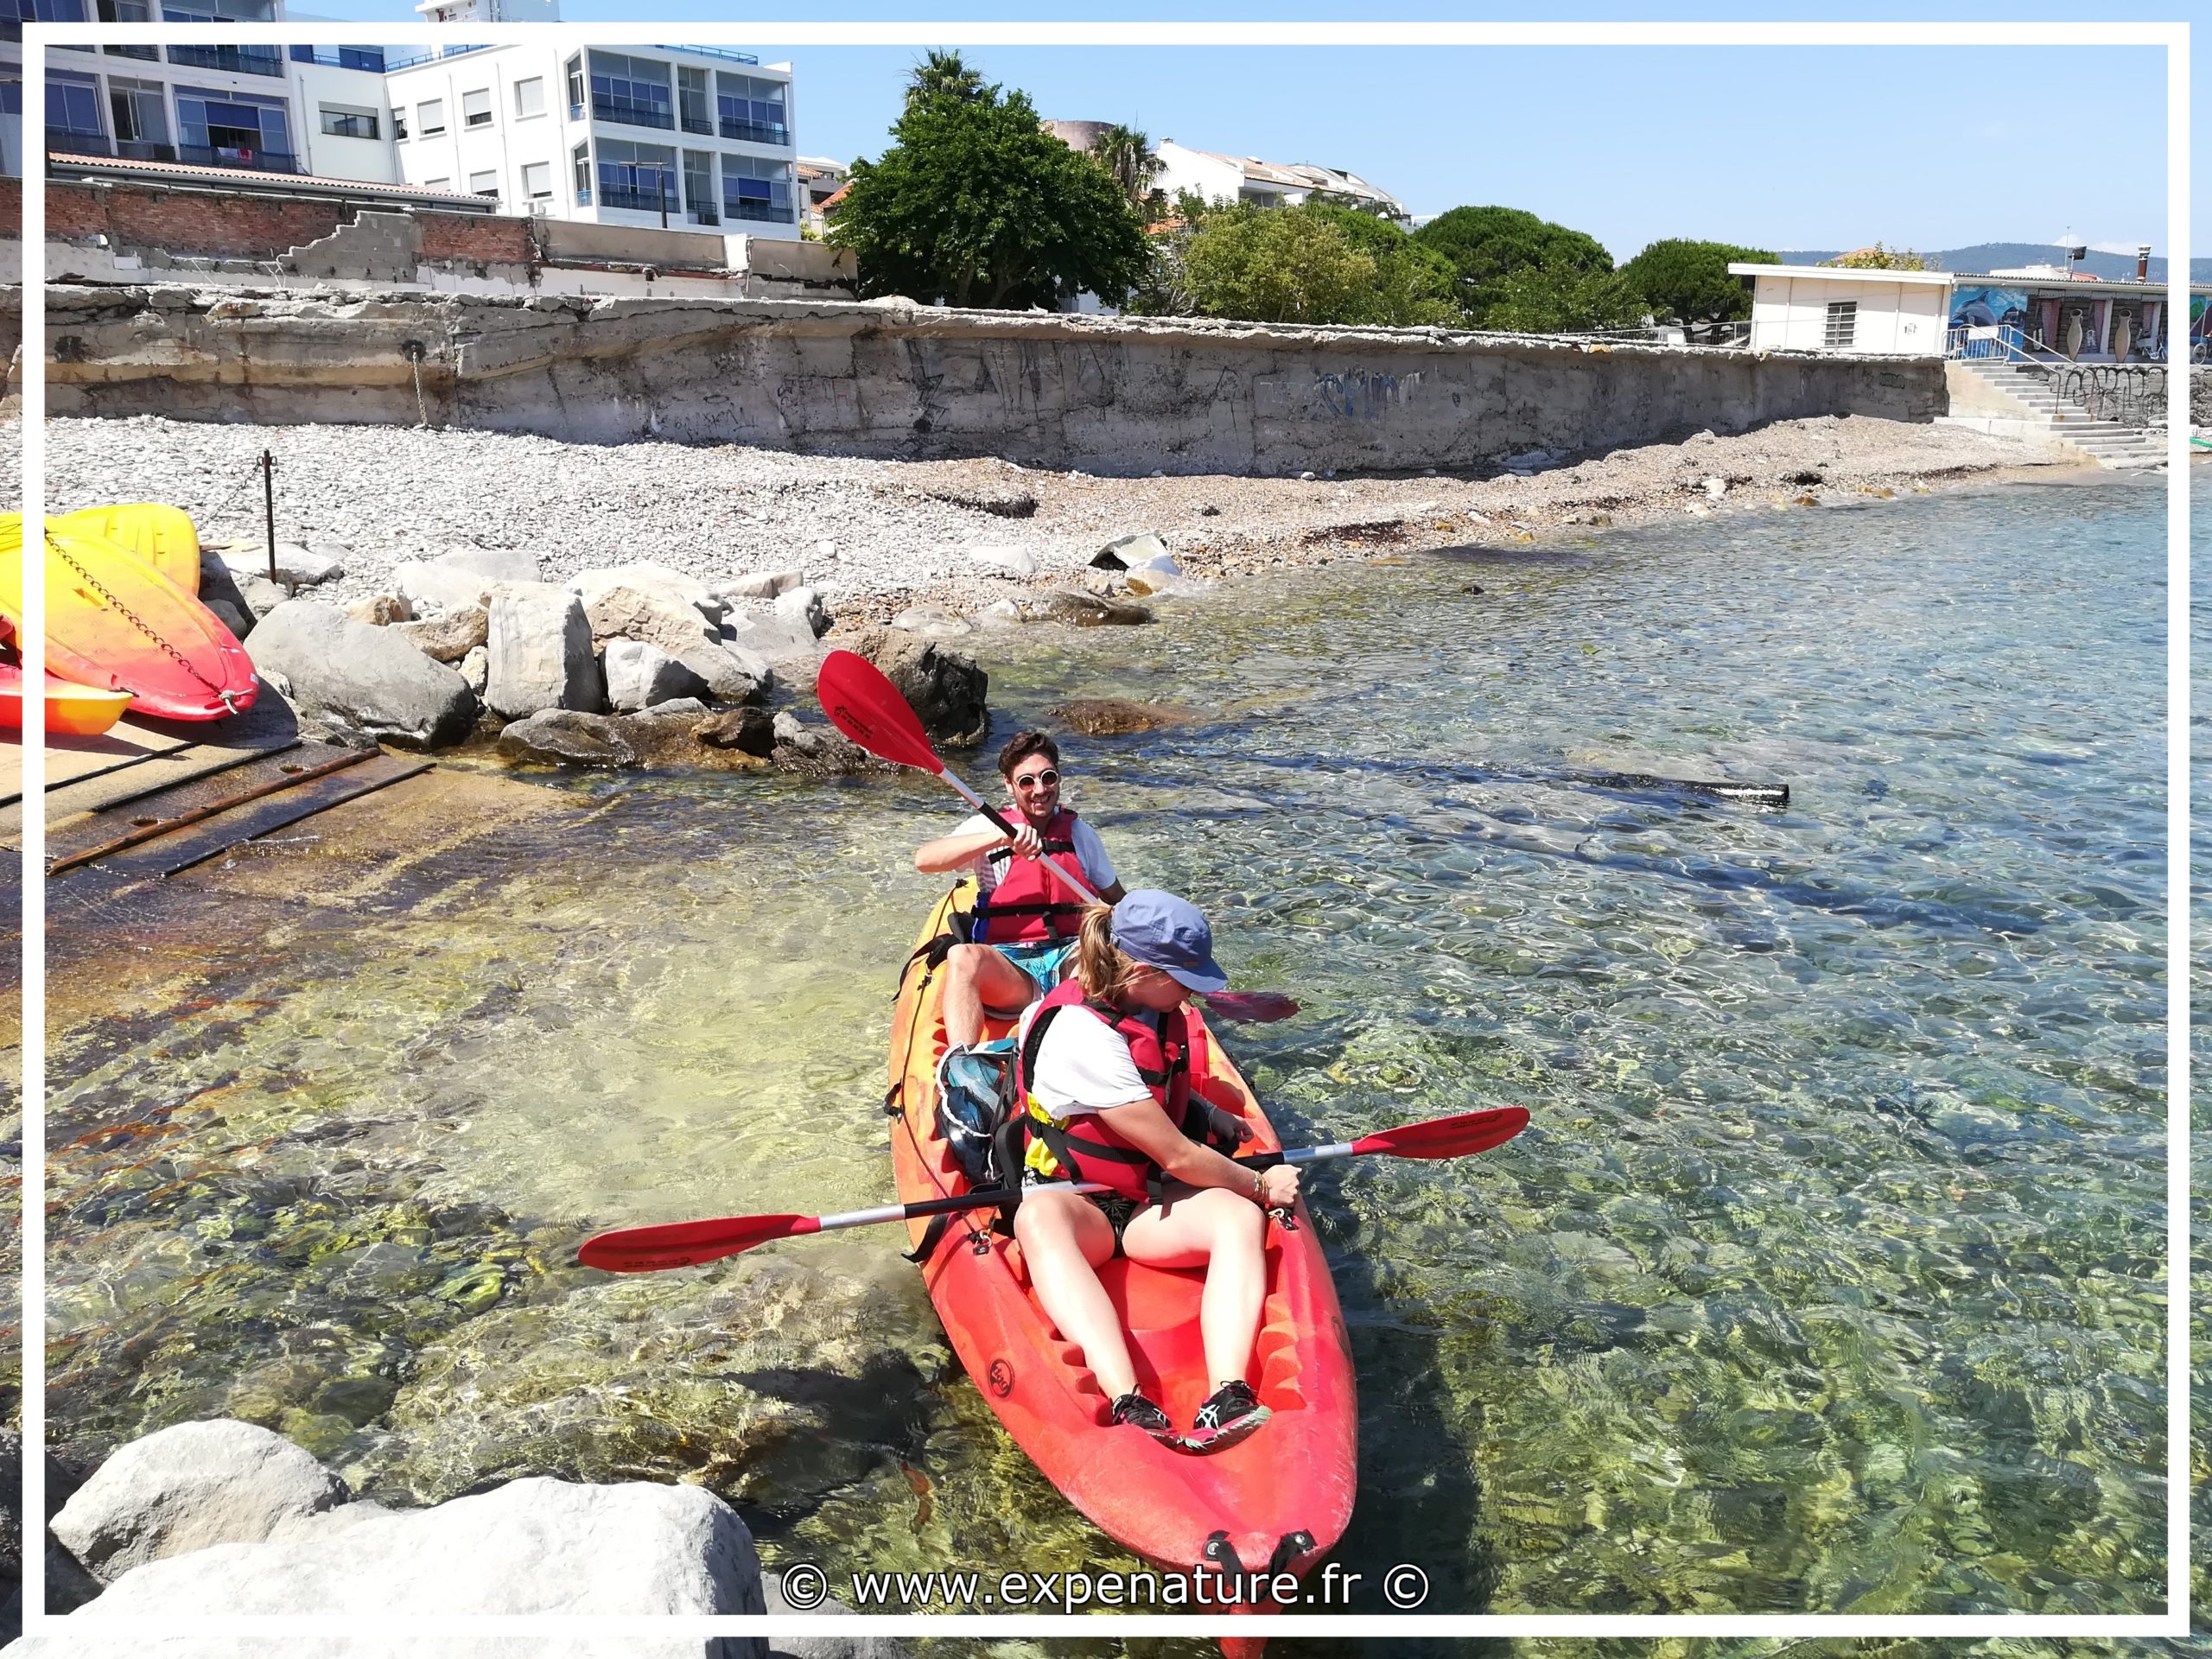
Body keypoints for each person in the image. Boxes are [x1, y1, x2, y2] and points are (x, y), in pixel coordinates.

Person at [1007, 890, 1298, 1453]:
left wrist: (1206, 1112)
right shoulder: (1078, 1034)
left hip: (1145, 1205)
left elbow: (1154, 1092)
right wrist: (1263, 1185)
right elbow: (1179, 1157)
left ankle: (1227, 1393)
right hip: (1077, 1205)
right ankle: (1126, 1397)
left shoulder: (1150, 1004)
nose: (1193, 993)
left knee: (1238, 1218)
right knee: (1039, 1220)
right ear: (1141, 969)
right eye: (1184, 978)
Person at [912, 731, 1126, 1052]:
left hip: (1070, 961)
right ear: (1009, 785)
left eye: (1048, 777)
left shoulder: (1080, 834)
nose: (1040, 790)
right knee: (960, 956)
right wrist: (1000, 839)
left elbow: (1117, 899)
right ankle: (963, 1067)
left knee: (1114, 954)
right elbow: (924, 860)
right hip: (1011, 969)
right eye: (1027, 781)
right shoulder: (988, 827)